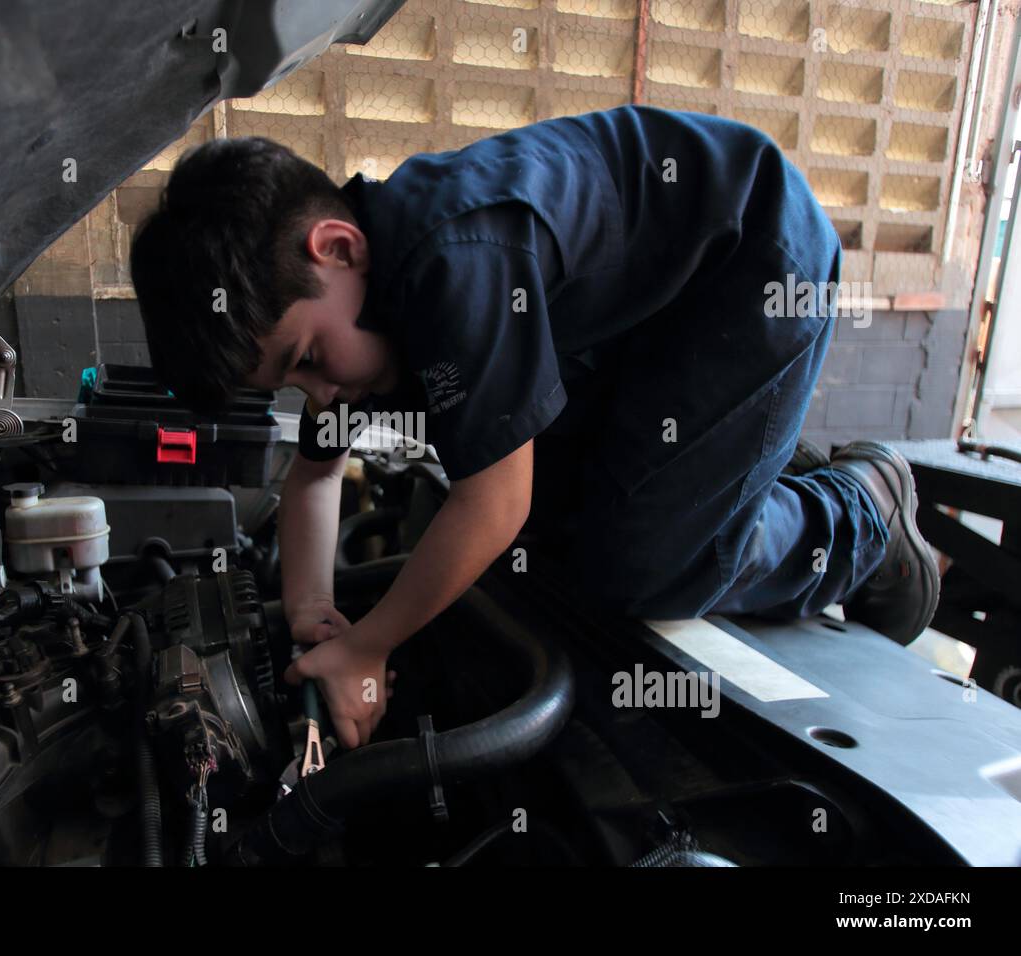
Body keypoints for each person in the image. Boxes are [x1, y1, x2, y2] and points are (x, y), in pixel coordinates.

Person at [130, 106, 940, 751]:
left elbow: (493, 505)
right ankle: (737, 466)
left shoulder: (453, 261)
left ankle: (863, 508)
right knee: (558, 545)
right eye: (292, 382)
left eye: (306, 358)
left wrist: (366, 649)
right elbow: (312, 473)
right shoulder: (352, 308)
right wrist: (312, 609)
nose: (321, 390)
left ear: (337, 248)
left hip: (752, 266)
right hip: (635, 334)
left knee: (646, 566)